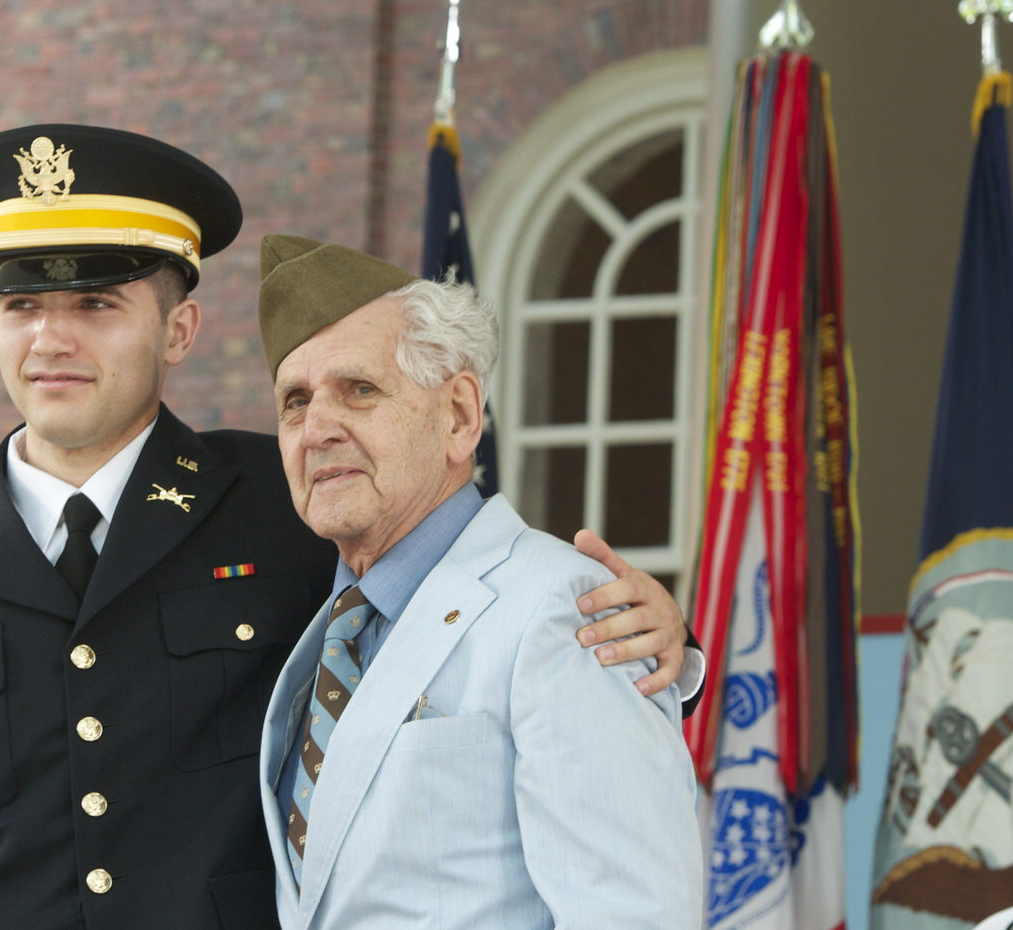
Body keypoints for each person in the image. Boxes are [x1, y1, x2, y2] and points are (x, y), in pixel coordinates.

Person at [0, 124, 699, 930]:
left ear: (179, 330)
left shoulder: (298, 499)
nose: (50, 340)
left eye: (97, 304)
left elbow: (473, 592)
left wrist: (661, 642)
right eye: (21, 305)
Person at [255, 235, 703, 928]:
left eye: (360, 390)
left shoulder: (560, 607)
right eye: (295, 401)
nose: (316, 429)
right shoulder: (322, 620)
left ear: (460, 415)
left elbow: (634, 915)